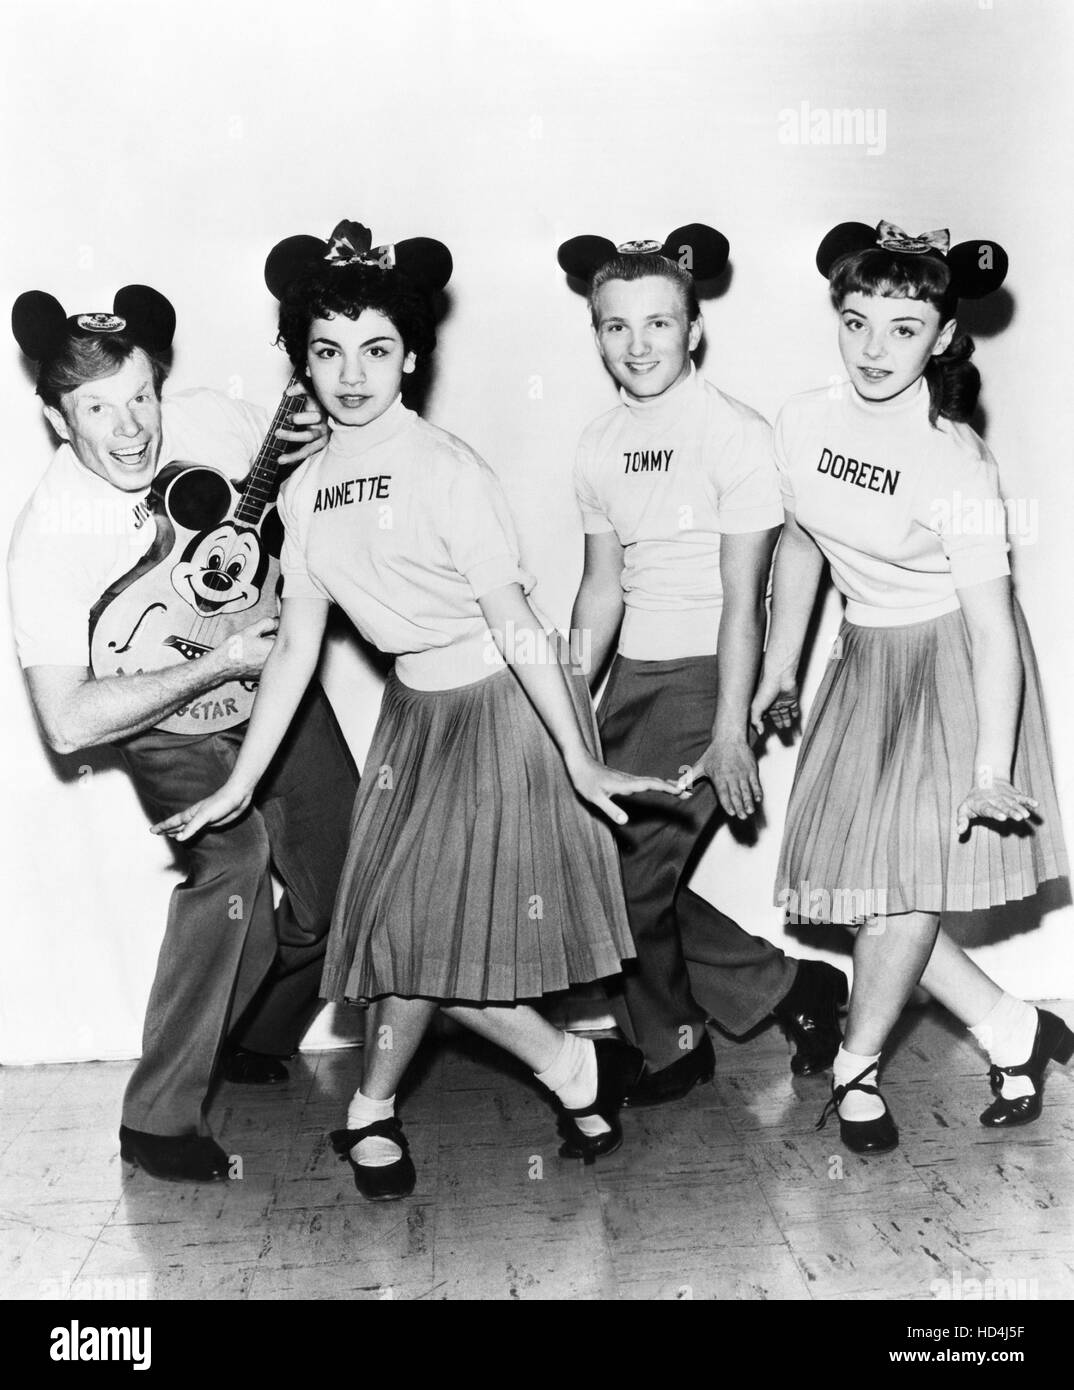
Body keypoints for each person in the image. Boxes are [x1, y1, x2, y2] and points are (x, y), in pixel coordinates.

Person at [153, 220, 680, 1201]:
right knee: (401, 938)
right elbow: (297, 648)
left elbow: (518, 622)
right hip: (414, 720)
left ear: (412, 354)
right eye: (327, 351)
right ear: (301, 361)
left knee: (410, 942)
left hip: (503, 712)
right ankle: (565, 1070)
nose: (352, 374)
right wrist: (238, 780)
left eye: (376, 349)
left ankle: (382, 1109)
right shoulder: (303, 493)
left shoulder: (445, 466)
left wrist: (578, 755)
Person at [8, 284, 359, 1182]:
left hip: (271, 684)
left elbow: (310, 442)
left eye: (140, 397)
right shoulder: (50, 537)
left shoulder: (209, 420)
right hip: (165, 713)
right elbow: (66, 717)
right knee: (233, 873)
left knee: (350, 875)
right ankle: (156, 1119)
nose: (130, 430)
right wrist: (215, 664)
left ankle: (256, 1035)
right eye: (96, 408)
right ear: (55, 416)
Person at [751, 219, 1071, 1154]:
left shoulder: (956, 459)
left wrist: (989, 763)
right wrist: (779, 667)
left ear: (942, 336)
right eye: (857, 323)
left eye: (902, 328)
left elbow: (992, 629)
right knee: (872, 889)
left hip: (955, 670)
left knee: (900, 898)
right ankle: (1018, 1031)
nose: (874, 349)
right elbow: (805, 539)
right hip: (865, 659)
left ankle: (855, 1070)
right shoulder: (805, 421)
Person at [558, 226, 848, 1106]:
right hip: (630, 682)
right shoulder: (596, 442)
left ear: (694, 330)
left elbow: (743, 598)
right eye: (616, 327)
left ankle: (678, 1045)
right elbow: (602, 588)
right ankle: (792, 988)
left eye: (657, 323)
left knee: (631, 880)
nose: (637, 344)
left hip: (704, 676)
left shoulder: (736, 435)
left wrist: (731, 733)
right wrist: (567, 701)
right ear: (598, 333)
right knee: (599, 874)